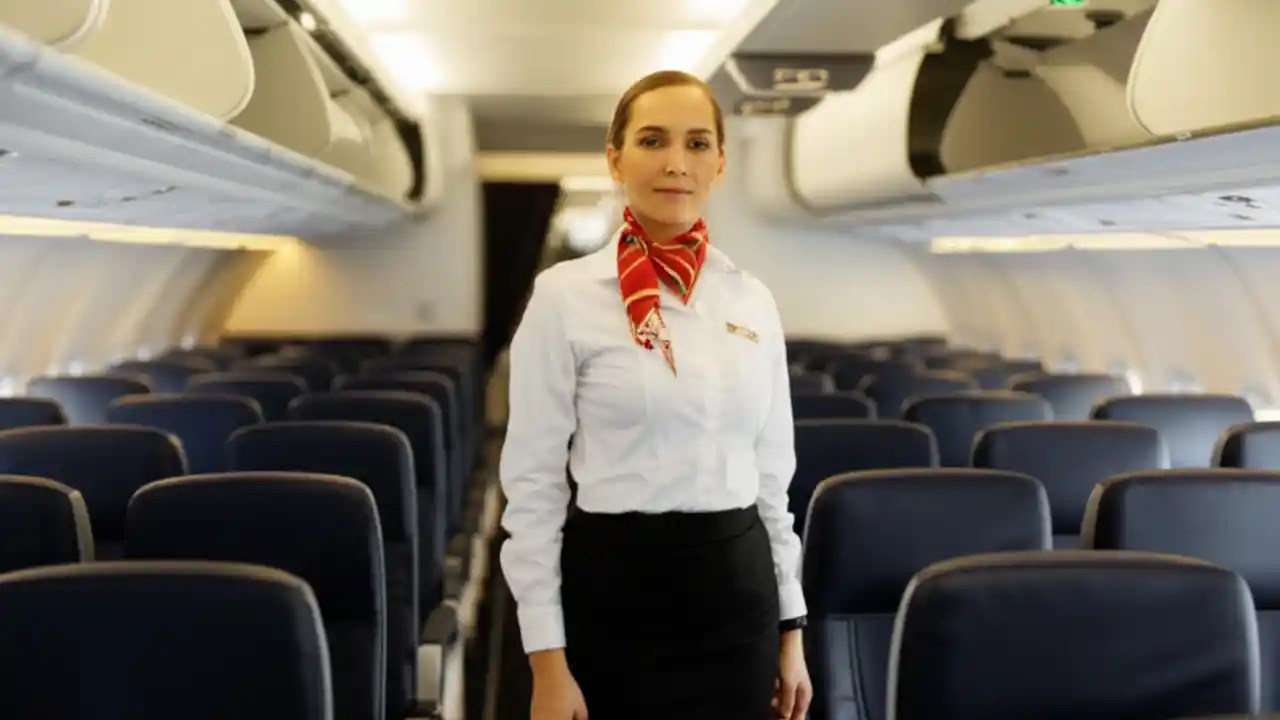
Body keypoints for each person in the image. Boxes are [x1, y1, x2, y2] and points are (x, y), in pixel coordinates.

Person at [499, 69, 812, 720]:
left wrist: (792, 632)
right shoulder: (564, 297)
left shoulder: (750, 298)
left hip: (738, 596)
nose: (677, 163)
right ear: (615, 159)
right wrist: (546, 662)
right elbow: (532, 491)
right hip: (615, 596)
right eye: (652, 141)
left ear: (720, 163)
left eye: (698, 144)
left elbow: (772, 485)